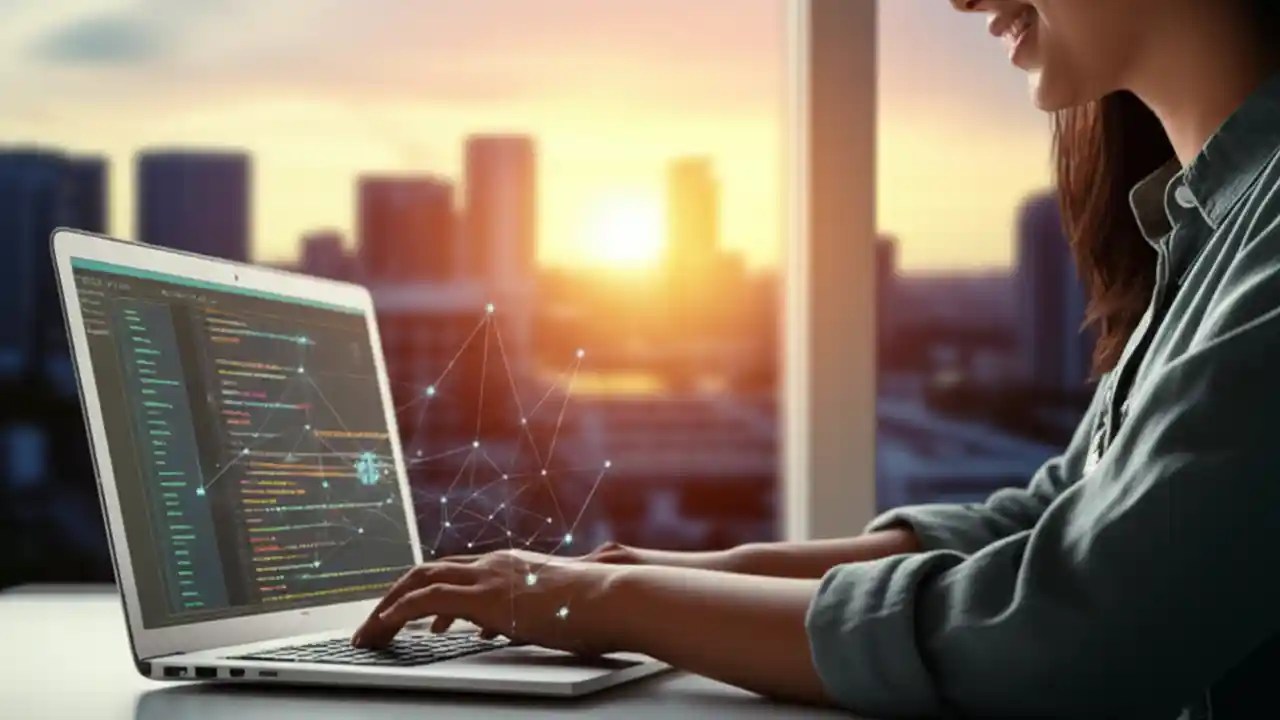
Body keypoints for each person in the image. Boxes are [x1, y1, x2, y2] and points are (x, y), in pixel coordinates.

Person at [354, 0, 1280, 715]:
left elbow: (1075, 624)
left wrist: (612, 601)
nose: (961, 1)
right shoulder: (1210, 229)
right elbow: (1056, 518)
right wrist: (693, 574)